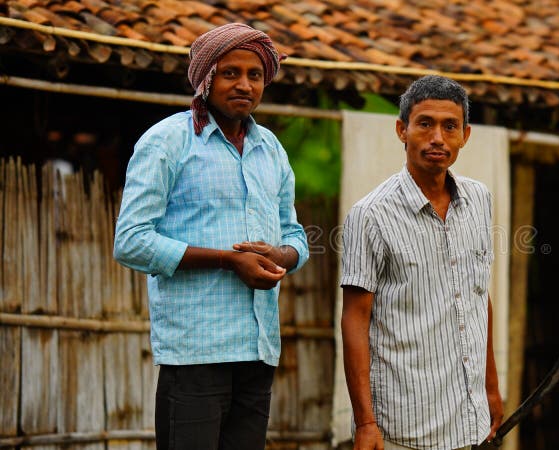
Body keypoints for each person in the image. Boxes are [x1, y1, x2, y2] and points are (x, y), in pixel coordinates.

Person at [113, 23, 308, 450]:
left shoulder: (270, 148)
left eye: (254, 75)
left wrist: (281, 254)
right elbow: (130, 240)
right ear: (206, 79)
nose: (244, 84)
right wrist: (227, 259)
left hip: (258, 350)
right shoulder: (168, 142)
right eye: (230, 73)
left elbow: (295, 234)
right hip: (196, 353)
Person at [340, 75, 503, 450]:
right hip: (404, 426)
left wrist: (490, 389)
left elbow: (478, 297)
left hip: (469, 421)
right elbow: (355, 319)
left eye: (450, 127)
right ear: (402, 130)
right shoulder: (371, 214)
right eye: (425, 124)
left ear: (466, 134)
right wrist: (365, 422)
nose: (437, 138)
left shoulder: (479, 200)